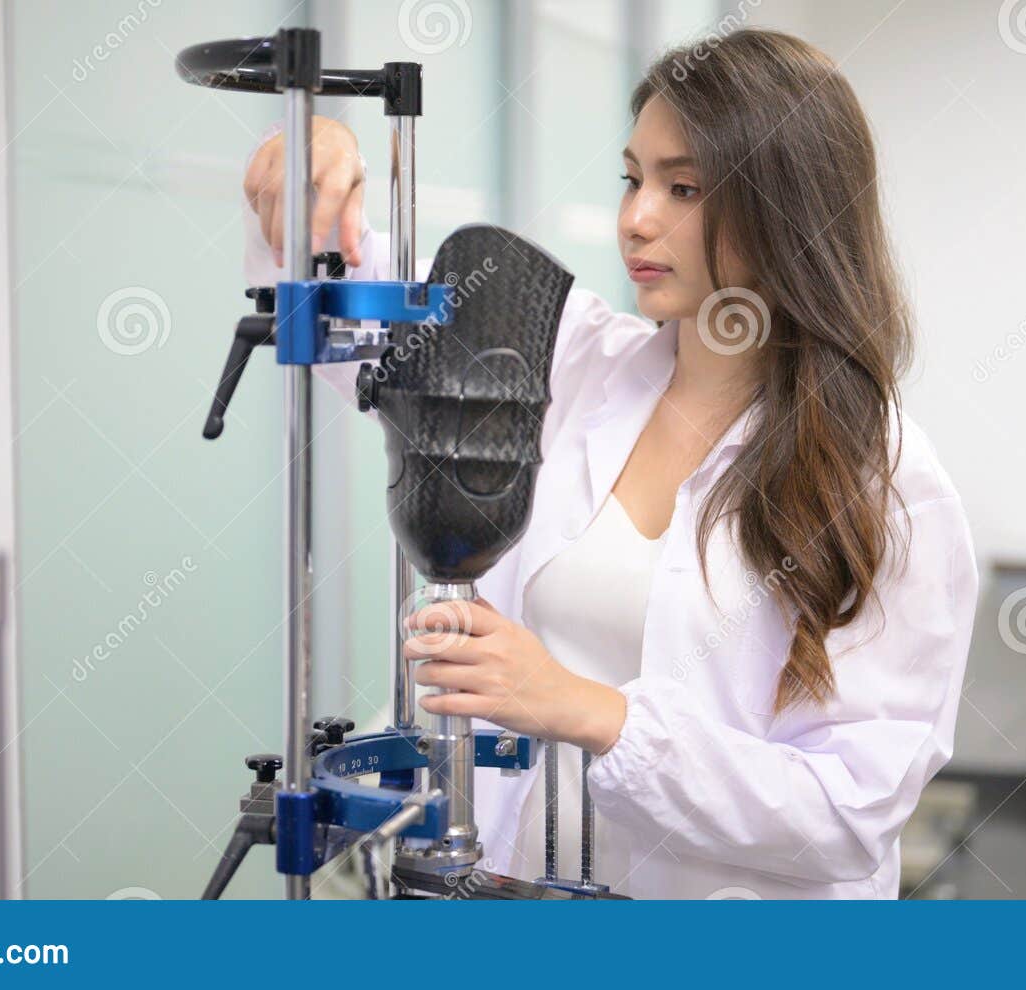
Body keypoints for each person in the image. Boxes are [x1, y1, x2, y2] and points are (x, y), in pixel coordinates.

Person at [242, 28, 978, 899]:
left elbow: (848, 814)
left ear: (791, 209)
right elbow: (353, 300)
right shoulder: (570, 360)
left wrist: (590, 711)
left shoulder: (886, 486)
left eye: (685, 187)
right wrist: (321, 160)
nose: (636, 216)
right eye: (633, 177)